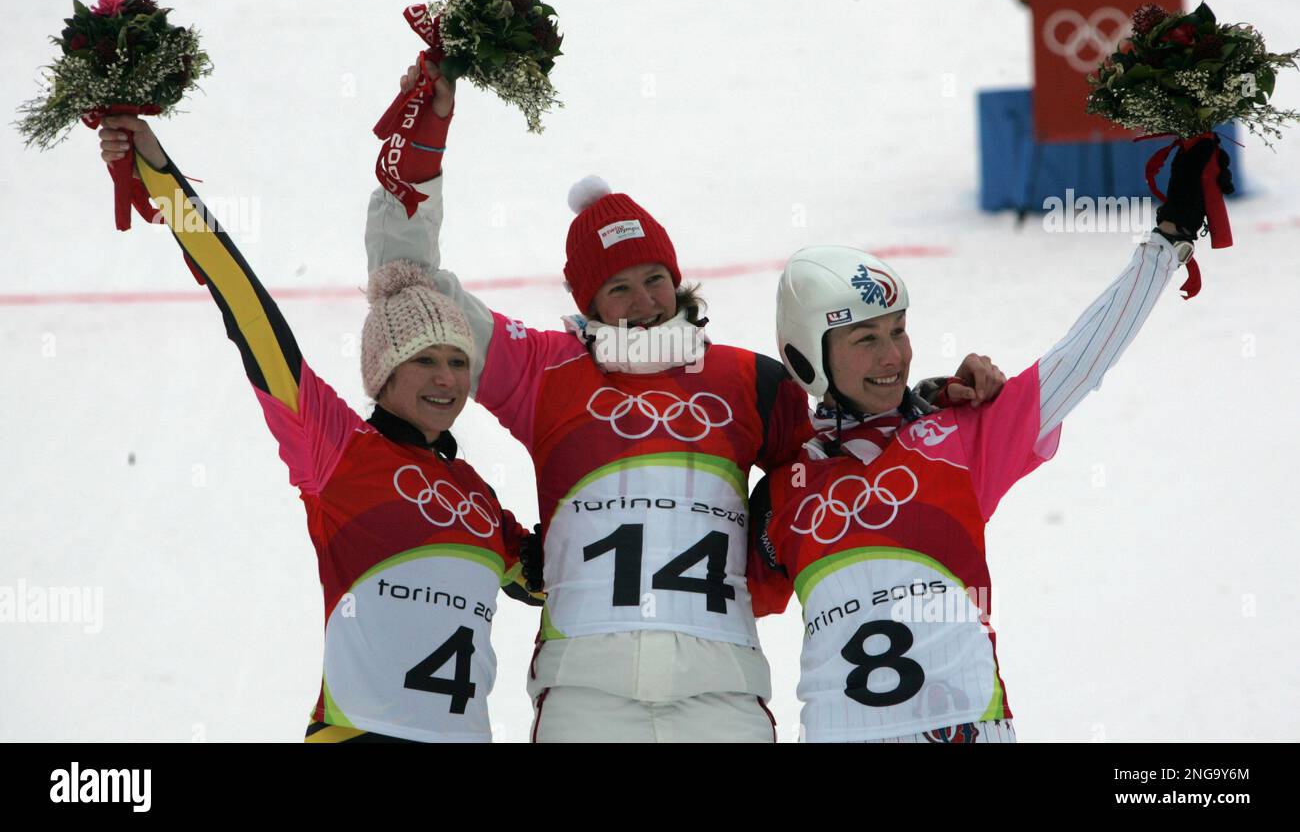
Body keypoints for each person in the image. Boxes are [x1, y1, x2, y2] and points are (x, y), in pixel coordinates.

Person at [366, 61, 1006, 741]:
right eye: (618, 290)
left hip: (721, 687)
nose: (643, 303)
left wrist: (936, 397)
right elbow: (412, 285)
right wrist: (423, 140)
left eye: (654, 279)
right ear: (587, 303)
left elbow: (855, 432)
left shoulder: (749, 380)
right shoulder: (542, 371)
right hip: (586, 685)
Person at [748, 139, 1232, 742]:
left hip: (966, 729)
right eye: (865, 339)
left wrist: (1169, 238)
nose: (893, 355)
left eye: (899, 330)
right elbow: (712, 608)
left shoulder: (958, 435)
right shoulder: (785, 486)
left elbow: (1080, 362)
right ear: (807, 353)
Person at [97, 115, 542, 743]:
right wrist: (162, 177)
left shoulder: (476, 497)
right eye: (425, 359)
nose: (446, 379)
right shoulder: (335, 447)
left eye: (458, 362)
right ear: (383, 370)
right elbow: (247, 307)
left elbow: (554, 578)